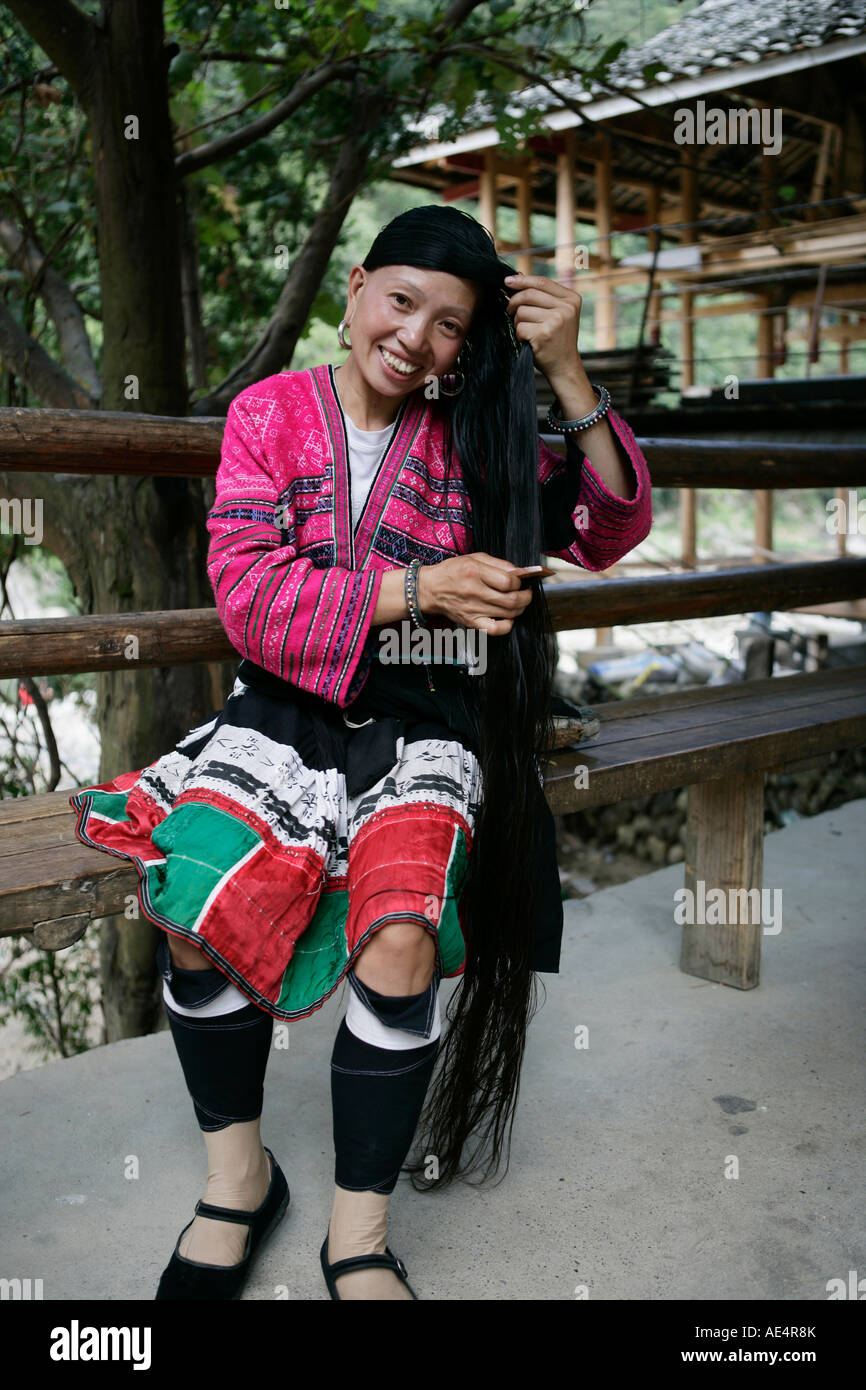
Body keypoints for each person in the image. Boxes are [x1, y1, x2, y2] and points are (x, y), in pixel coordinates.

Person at [70, 204, 652, 1300]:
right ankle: (237, 1183)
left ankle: (358, 1234)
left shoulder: (472, 438)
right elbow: (246, 600)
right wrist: (415, 587)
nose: (416, 338)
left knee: (402, 934)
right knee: (197, 909)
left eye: (449, 326)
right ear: (353, 286)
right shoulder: (266, 413)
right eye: (402, 301)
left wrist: (567, 371)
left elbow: (610, 525)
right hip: (281, 712)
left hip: (425, 720)